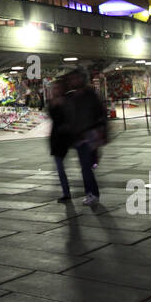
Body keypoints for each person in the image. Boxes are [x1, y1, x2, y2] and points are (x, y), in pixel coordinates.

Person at [61, 70, 104, 205]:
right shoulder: (73, 96)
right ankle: (91, 193)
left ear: (81, 79)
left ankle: (92, 194)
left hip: (88, 136)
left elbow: (99, 113)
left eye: (74, 79)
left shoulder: (89, 95)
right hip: (79, 137)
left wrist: (99, 133)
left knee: (86, 167)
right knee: (86, 166)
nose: (72, 82)